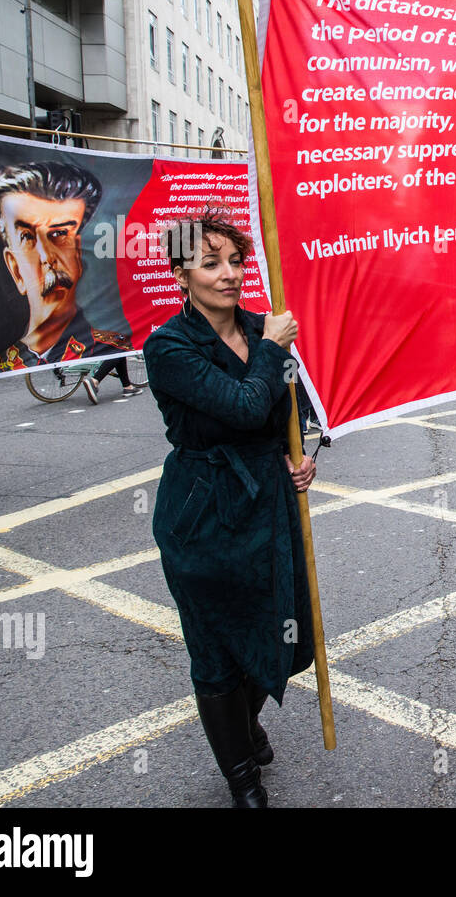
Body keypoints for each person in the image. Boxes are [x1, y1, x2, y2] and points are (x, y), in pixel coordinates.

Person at [145, 210, 316, 808]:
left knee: (275, 628)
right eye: (210, 262)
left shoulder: (260, 328)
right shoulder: (168, 346)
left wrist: (299, 459)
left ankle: (246, 727)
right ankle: (241, 775)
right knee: (217, 647)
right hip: (204, 514)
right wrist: (271, 347)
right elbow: (242, 406)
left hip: (267, 504)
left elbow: (279, 417)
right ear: (181, 274)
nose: (229, 274)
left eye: (236, 260)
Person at [0, 162, 130, 370]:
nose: (47, 257)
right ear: (15, 268)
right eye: (27, 237)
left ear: (78, 252)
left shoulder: (109, 344)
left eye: (60, 234)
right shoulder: (2, 364)